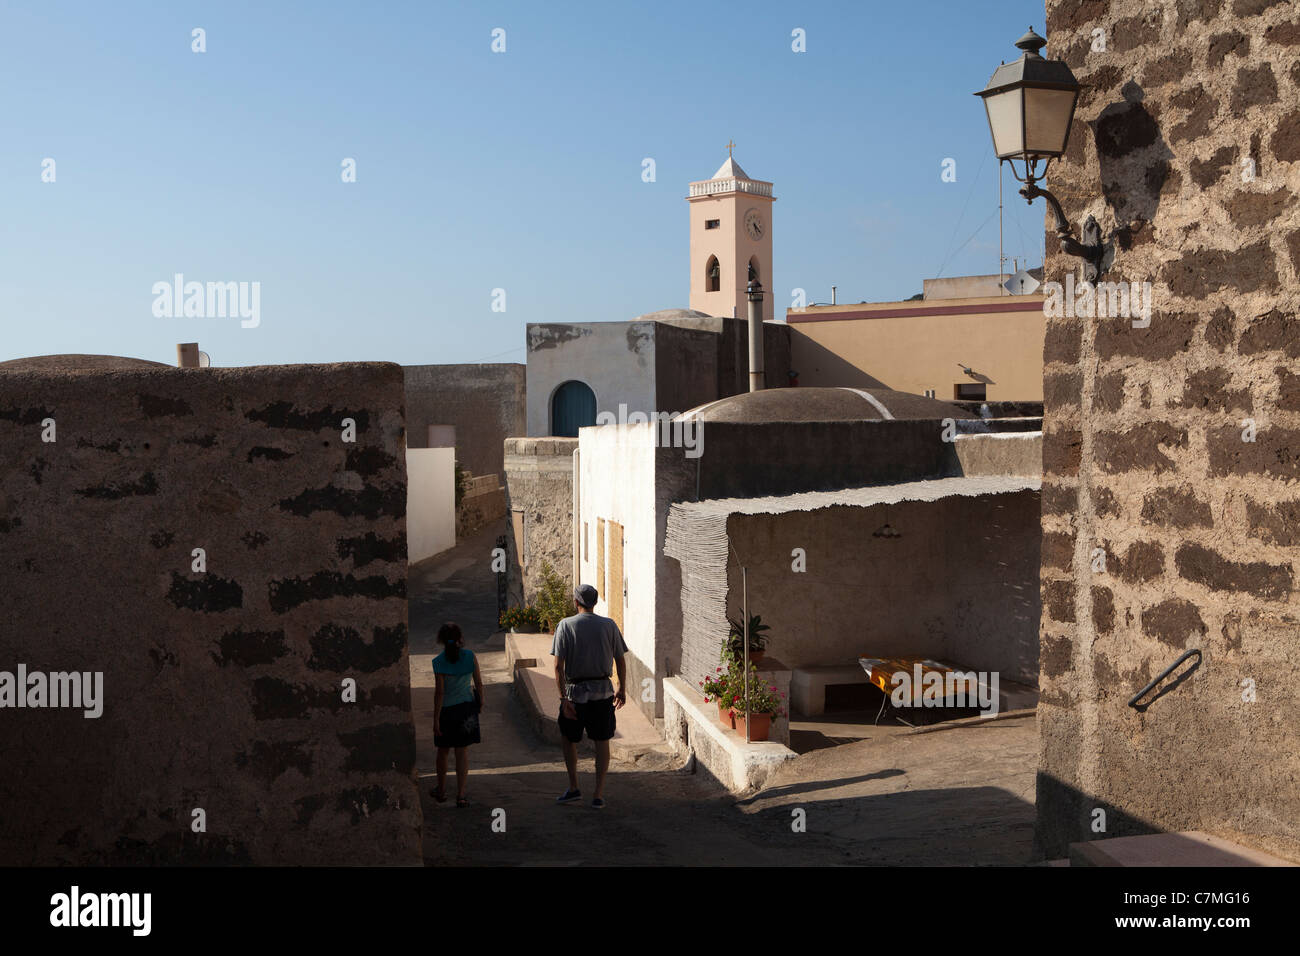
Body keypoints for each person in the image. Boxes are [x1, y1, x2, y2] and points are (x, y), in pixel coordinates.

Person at [552, 584, 627, 809]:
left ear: (576, 602)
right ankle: (598, 793)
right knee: (602, 741)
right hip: (603, 692)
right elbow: (620, 659)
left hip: (575, 694)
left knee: (568, 739)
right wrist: (622, 688)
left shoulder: (565, 625)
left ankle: (574, 787)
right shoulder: (609, 625)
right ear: (595, 603)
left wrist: (563, 698)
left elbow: (558, 667)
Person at [431, 622, 483, 808]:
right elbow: (478, 683)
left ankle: (442, 790)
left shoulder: (438, 662)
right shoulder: (470, 656)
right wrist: (480, 702)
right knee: (462, 752)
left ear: (441, 640)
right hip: (466, 709)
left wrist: (436, 719)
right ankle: (461, 795)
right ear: (460, 638)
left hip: (447, 711)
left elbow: (440, 693)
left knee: (443, 751)